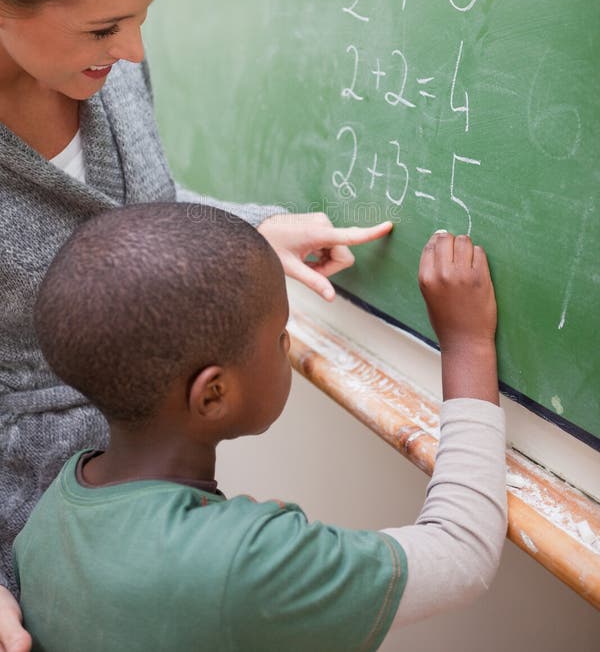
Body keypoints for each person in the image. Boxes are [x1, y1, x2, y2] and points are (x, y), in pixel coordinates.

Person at [0, 0, 392, 647]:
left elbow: (134, 217)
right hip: (23, 559)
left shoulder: (103, 68)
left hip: (149, 521)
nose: (134, 50)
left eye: (142, 15)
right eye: (104, 27)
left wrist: (252, 229)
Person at [13, 203, 507, 651]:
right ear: (213, 394)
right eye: (278, 336)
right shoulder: (244, 563)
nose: (287, 345)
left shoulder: (53, 507)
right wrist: (467, 344)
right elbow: (461, 554)